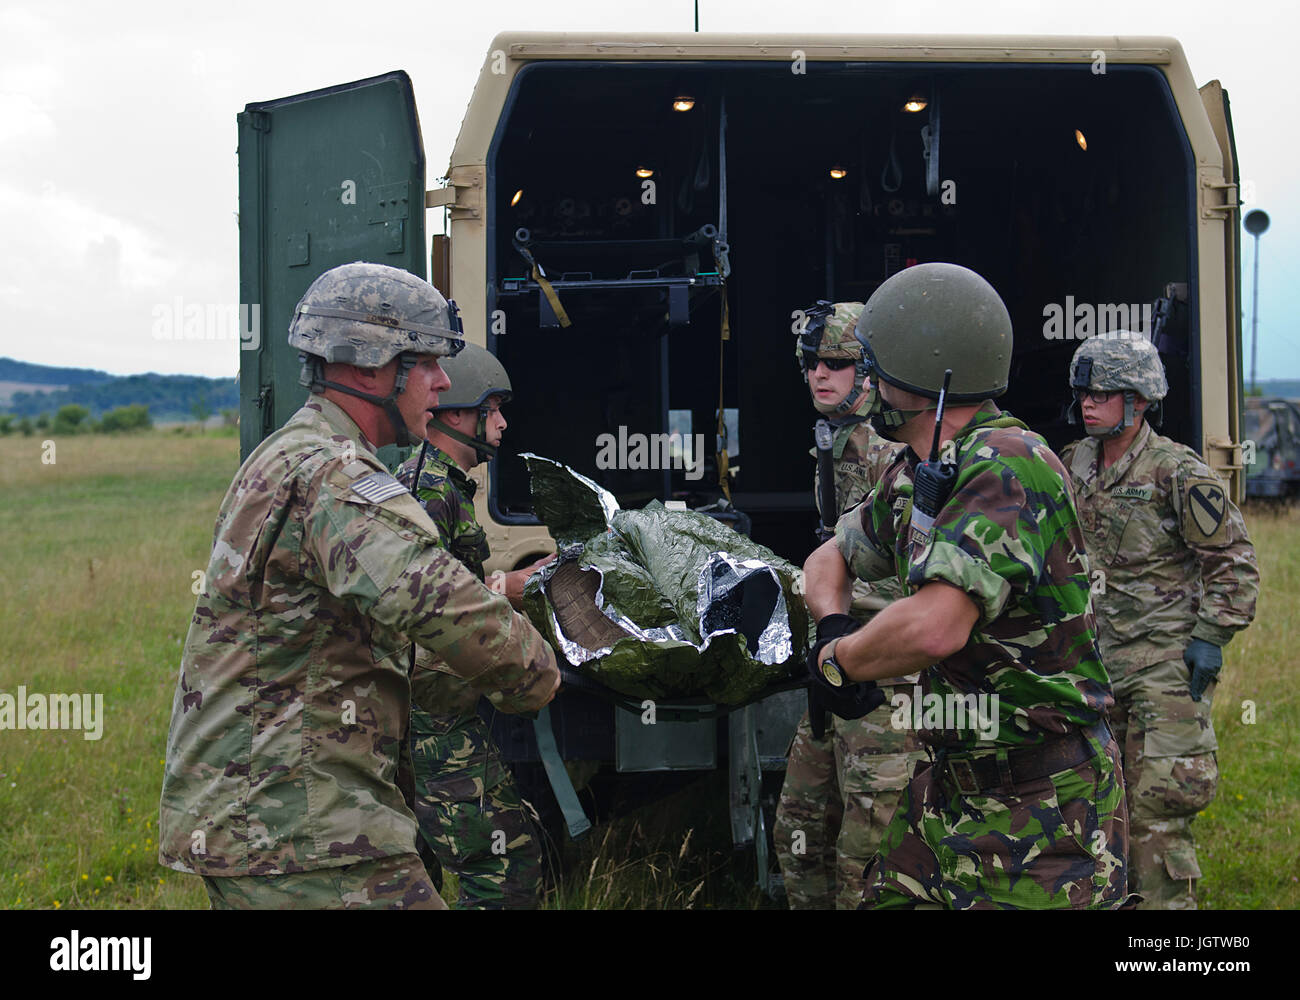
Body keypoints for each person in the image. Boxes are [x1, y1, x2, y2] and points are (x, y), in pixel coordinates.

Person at [158, 262, 560, 909]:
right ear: (372, 365)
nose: (443, 382)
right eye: (427, 362)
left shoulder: (292, 454)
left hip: (276, 810)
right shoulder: (333, 476)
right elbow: (438, 604)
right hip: (296, 823)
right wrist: (538, 672)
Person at [802, 262, 1132, 909]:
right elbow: (829, 559)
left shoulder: (1010, 465)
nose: (862, 382)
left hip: (1047, 804)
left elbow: (934, 625)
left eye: (872, 366)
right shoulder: (918, 470)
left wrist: (840, 662)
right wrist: (833, 626)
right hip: (949, 790)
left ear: (921, 376)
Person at [1060, 333, 1258, 909]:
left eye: (1102, 393)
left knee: (1158, 821)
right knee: (1095, 822)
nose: (1088, 403)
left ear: (1139, 401)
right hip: (1094, 672)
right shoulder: (1073, 463)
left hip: (1162, 673)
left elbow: (1235, 563)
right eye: (1083, 393)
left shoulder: (1178, 471)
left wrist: (1209, 637)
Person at [774, 301, 924, 910]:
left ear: (870, 372)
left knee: (867, 855)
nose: (819, 374)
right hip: (836, 665)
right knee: (799, 833)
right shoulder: (836, 442)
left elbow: (924, 584)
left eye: (837, 362)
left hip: (884, 681)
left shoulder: (897, 452)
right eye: (811, 362)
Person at [394, 343, 555, 909]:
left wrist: (507, 589)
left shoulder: (441, 486)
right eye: (493, 408)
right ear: (457, 414)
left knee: (414, 871)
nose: (503, 422)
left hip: (428, 714)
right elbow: (421, 617)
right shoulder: (428, 493)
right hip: (431, 718)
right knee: (506, 864)